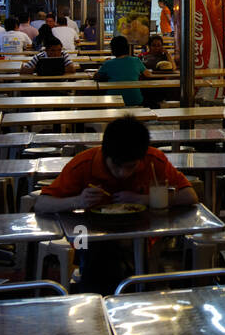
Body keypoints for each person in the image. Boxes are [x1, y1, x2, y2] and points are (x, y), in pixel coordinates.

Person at [34, 117, 198, 297]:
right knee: (95, 251)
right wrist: (78, 201)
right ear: (105, 153)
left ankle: (137, 292)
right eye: (117, 166)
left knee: (137, 253)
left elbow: (190, 196)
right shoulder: (84, 164)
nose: (123, 173)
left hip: (143, 233)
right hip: (87, 233)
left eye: (130, 167)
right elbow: (42, 204)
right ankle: (101, 301)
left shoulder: (154, 160)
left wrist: (144, 199)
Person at [96, 35, 147, 106]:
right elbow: (148, 74)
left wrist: (101, 67)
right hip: (135, 100)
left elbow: (96, 77)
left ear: (113, 49)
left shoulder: (108, 63)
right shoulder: (136, 60)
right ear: (127, 48)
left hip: (112, 101)